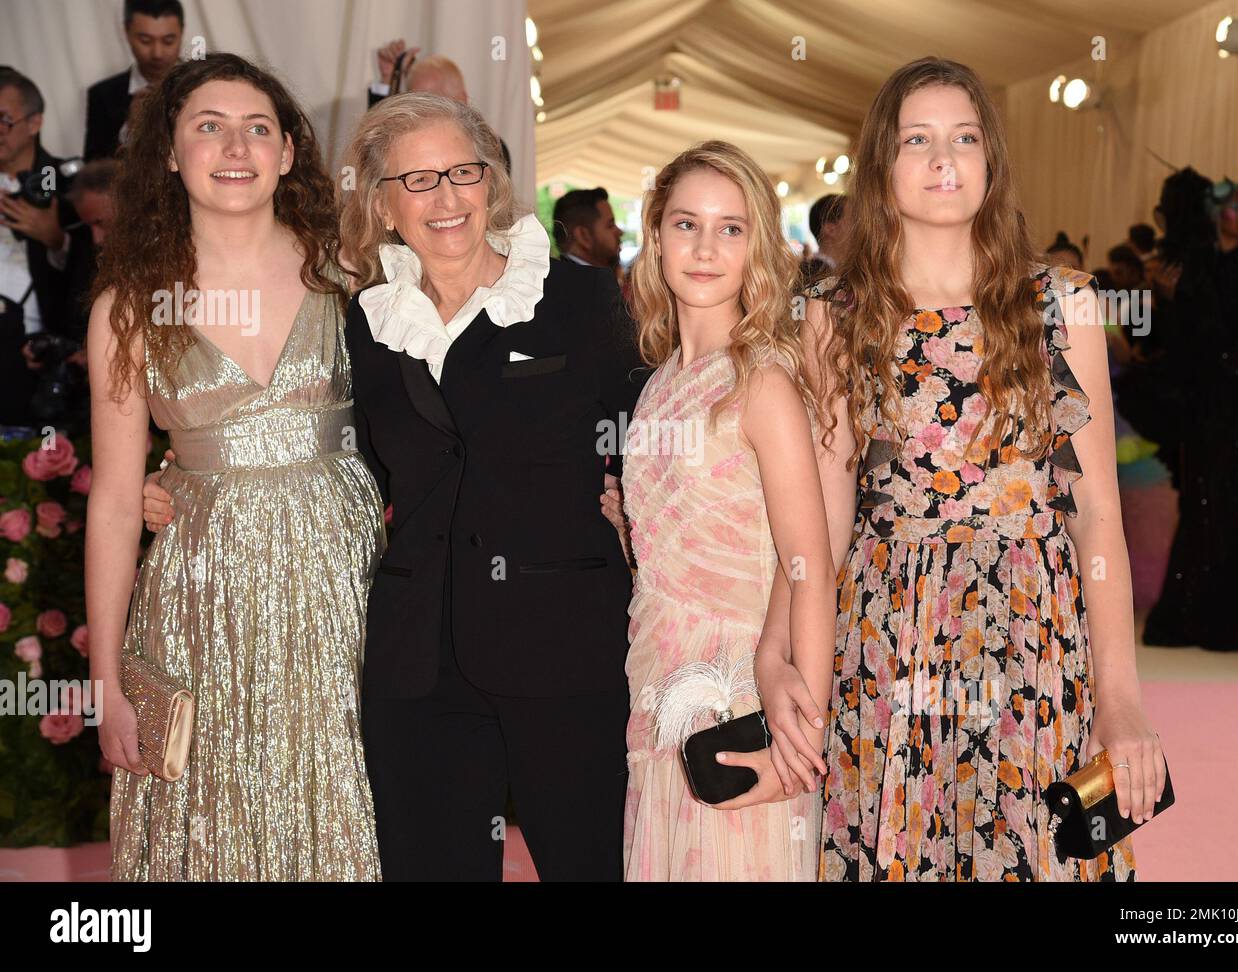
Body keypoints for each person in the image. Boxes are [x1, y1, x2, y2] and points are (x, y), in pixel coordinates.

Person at [762, 56, 1162, 881]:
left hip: (1036, 635)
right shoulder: (835, 319)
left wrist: (1120, 701)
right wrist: (780, 655)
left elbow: (1096, 521)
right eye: (919, 139)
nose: (945, 160)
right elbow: (823, 525)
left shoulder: (1063, 303)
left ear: (991, 161)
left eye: (965, 138)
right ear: (882, 167)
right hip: (888, 639)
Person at [87, 53, 384, 880]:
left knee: (346, 800)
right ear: (171, 155)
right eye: (207, 128)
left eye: (259, 128)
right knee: (208, 821)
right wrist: (106, 684)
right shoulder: (130, 308)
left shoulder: (351, 273)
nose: (236, 147)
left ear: (289, 152)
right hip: (198, 606)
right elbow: (113, 503)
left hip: (347, 595)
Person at [335, 92, 643, 880]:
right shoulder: (365, 327)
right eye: (418, 180)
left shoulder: (581, 301)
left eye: (462, 172)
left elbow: (649, 432)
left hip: (565, 645)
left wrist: (636, 511)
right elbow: (345, 460)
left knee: (588, 865)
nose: (446, 198)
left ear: (491, 181)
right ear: (382, 203)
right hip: (418, 660)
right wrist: (178, 482)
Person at [619, 141, 836, 881]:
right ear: (656, 237)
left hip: (741, 690)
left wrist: (804, 738)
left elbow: (809, 566)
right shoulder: (653, 386)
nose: (706, 247)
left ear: (758, 248)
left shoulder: (763, 382)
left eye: (731, 228)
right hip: (656, 687)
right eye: (686, 225)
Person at [1142, 175, 1238, 651]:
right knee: (1209, 500)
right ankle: (1205, 617)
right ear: (1216, 217)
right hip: (1212, 406)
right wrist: (1170, 303)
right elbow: (1183, 348)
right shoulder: (1196, 271)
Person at [0, 67, 92, 428]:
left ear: (35, 122)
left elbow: (97, 268)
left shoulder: (68, 181)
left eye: (4, 120)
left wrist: (55, 240)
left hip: (38, 351)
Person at [368, 43, 511, 174]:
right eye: (416, 102)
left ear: (462, 99)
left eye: (432, 101)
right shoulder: (409, 143)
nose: (422, 111)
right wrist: (389, 79)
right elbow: (373, 155)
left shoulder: (491, 149)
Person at [84, 0, 185, 161]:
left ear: (181, 33)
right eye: (145, 40)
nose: (157, 53)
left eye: (168, 41)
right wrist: (129, 131)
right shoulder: (103, 96)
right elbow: (93, 173)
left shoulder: (203, 87)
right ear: (126, 32)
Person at [553, 186, 623, 272]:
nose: (620, 232)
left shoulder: (560, 274)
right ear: (583, 236)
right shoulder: (577, 282)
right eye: (610, 225)